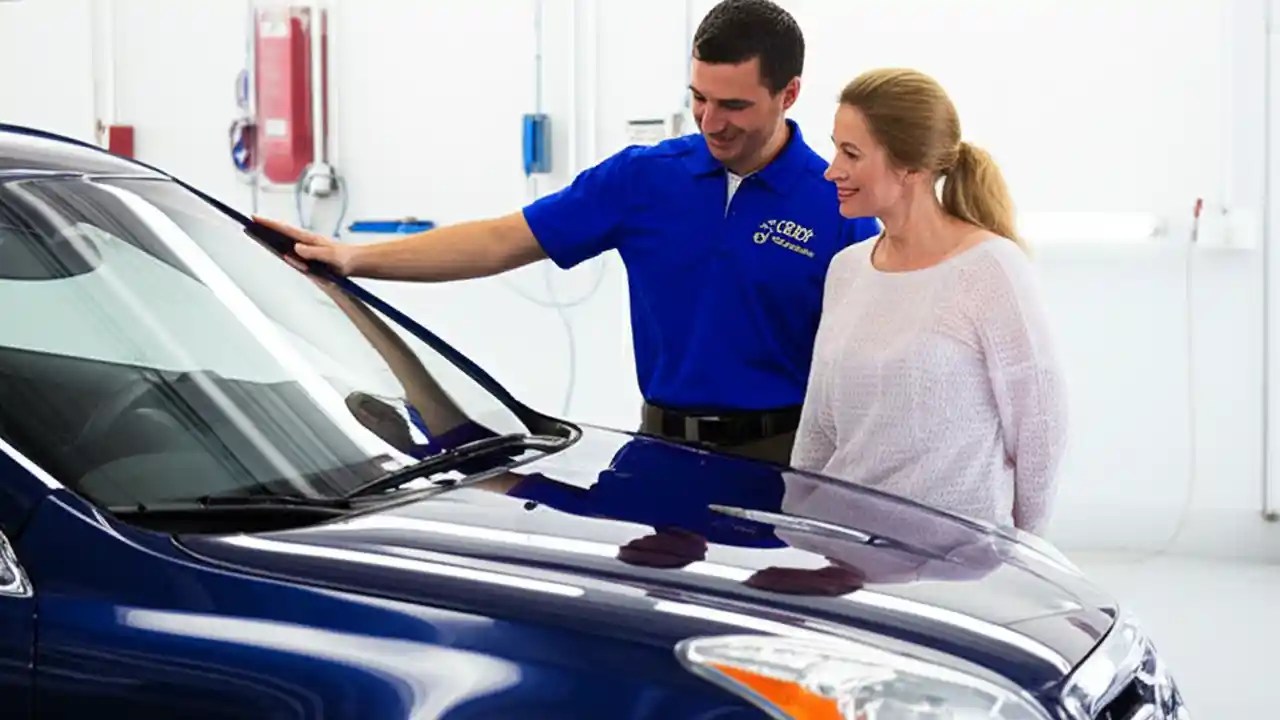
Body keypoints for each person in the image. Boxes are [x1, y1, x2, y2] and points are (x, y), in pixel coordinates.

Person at [253, 0, 881, 465]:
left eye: (734, 106)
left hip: (783, 459)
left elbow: (871, 360)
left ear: (788, 93)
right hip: (658, 451)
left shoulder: (838, 200)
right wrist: (352, 257)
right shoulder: (644, 180)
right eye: (699, 98)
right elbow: (501, 241)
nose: (710, 121)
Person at [790, 68, 1068, 535]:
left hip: (955, 564)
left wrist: (1023, 552)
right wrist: (796, 530)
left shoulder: (991, 269)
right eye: (836, 147)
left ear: (911, 169)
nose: (831, 169)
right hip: (843, 556)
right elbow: (818, 430)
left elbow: (1041, 426)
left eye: (850, 153)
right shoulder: (847, 269)